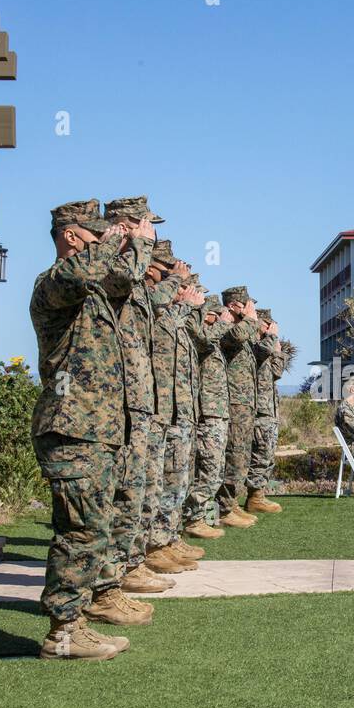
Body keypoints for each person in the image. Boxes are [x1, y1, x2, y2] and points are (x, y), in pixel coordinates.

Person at [30, 199, 155, 660]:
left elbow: (123, 278)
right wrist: (119, 242)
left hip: (98, 429)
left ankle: (81, 614)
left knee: (94, 528)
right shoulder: (55, 284)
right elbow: (87, 273)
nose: (106, 239)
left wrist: (134, 246)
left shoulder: (96, 291)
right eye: (94, 232)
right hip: (71, 427)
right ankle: (63, 631)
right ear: (70, 236)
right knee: (80, 532)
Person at [101, 196, 178, 595]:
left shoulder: (137, 286)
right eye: (145, 226)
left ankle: (135, 559)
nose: (151, 236)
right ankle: (120, 570)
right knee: (129, 491)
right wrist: (135, 249)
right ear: (125, 225)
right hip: (119, 406)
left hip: (146, 404)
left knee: (146, 486)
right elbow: (123, 280)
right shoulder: (112, 273)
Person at [141, 240, 206, 575]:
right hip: (154, 409)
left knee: (176, 478)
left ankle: (166, 538)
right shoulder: (148, 303)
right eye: (171, 275)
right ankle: (152, 546)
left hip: (175, 409)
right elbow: (160, 329)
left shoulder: (168, 309)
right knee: (154, 483)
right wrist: (180, 300)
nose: (182, 287)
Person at [182, 294, 235, 539]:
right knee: (208, 470)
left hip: (217, 412)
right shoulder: (200, 335)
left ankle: (203, 517)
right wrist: (220, 323)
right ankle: (193, 520)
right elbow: (201, 340)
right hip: (207, 412)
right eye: (214, 314)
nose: (220, 318)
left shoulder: (213, 338)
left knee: (215, 470)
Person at [216, 286, 263, 526]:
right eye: (247, 304)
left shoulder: (243, 331)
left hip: (244, 404)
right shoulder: (227, 328)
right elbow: (234, 337)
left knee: (242, 455)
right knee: (233, 455)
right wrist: (251, 319)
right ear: (235, 306)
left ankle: (232, 503)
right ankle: (224, 509)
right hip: (234, 403)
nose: (251, 309)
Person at [246, 308, 289, 514]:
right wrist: (271, 338)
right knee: (260, 455)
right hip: (258, 410)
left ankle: (258, 495)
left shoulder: (267, 345)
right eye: (267, 324)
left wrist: (279, 351)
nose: (270, 327)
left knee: (267, 455)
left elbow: (276, 373)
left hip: (269, 409)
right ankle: (253, 496)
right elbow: (260, 354)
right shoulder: (253, 344)